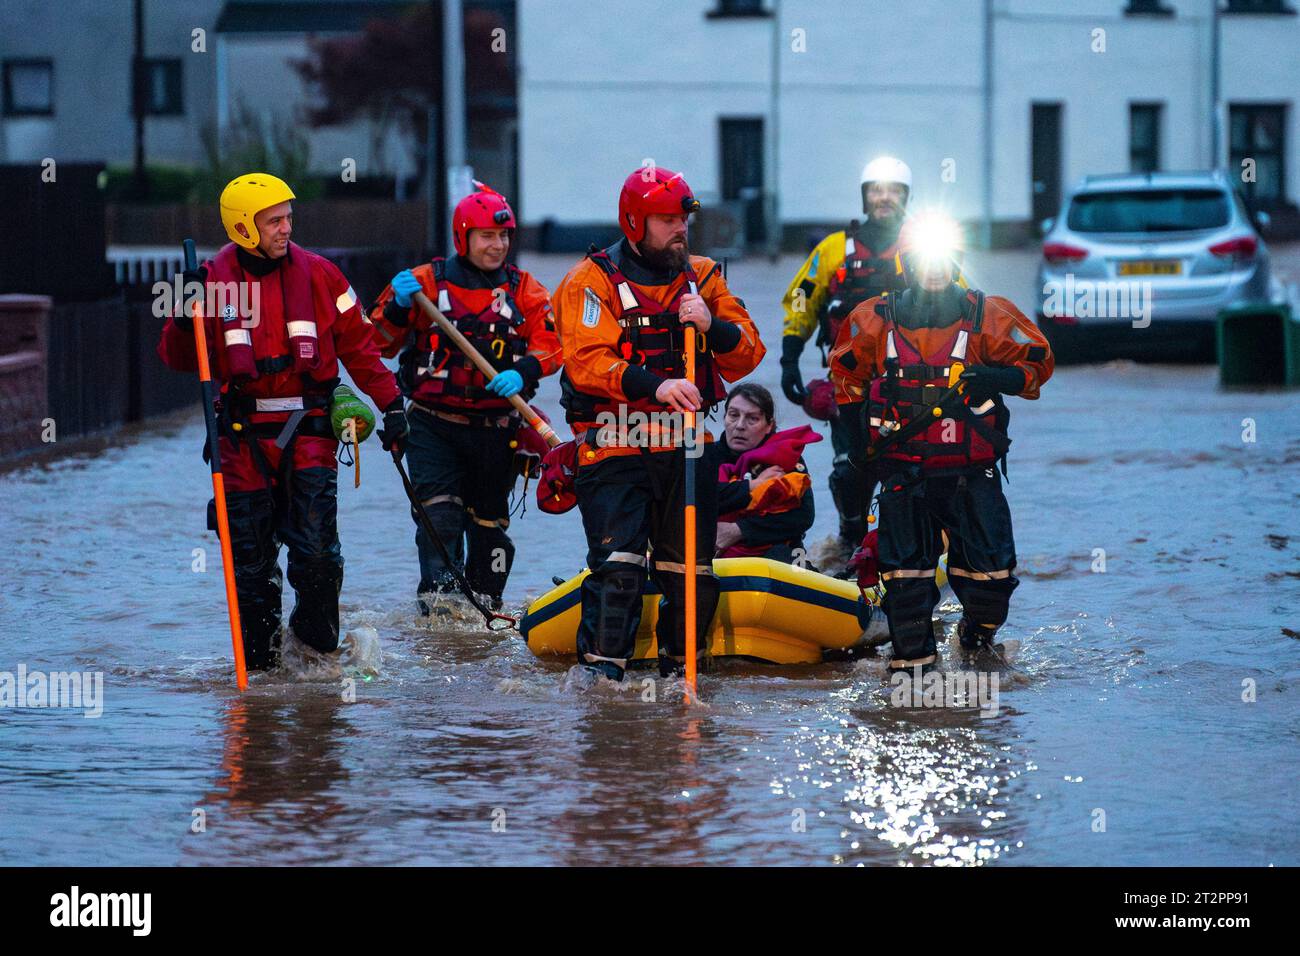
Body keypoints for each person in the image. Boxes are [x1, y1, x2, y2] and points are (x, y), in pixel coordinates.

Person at [158, 172, 408, 670]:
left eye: (289, 217)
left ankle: (315, 660)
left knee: (317, 556)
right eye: (274, 220)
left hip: (310, 428)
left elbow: (360, 346)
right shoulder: (206, 282)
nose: (286, 228)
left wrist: (392, 404)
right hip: (239, 435)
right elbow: (176, 357)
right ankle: (263, 672)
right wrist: (186, 317)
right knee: (248, 567)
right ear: (244, 228)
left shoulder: (322, 275)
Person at [552, 166, 765, 681]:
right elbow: (586, 361)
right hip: (615, 446)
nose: (679, 229)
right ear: (633, 222)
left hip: (686, 448)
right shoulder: (589, 281)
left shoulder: (706, 278)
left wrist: (712, 328)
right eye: (666, 220)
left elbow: (749, 354)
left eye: (682, 219)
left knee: (692, 577)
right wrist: (657, 386)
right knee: (620, 569)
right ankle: (603, 686)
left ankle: (679, 683)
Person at [828, 211, 1054, 671]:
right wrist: (855, 447)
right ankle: (913, 688)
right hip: (903, 473)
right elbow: (845, 377)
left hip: (971, 473)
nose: (932, 269)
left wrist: (997, 377)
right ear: (906, 264)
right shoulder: (873, 320)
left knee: (992, 581)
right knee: (906, 588)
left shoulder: (988, 314)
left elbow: (1039, 363)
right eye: (922, 259)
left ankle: (976, 638)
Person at [370, 182, 561, 612]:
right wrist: (399, 308)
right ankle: (441, 614)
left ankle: (486, 611)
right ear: (463, 237)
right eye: (488, 237)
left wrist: (523, 370)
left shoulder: (525, 289)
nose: (498, 246)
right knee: (439, 519)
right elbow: (375, 342)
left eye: (505, 236)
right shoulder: (421, 284)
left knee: (490, 530)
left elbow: (552, 347)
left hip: (497, 431)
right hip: (432, 425)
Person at [779, 156, 912, 554]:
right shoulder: (834, 249)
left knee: (908, 466)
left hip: (912, 383)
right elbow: (801, 299)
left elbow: (963, 303)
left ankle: (908, 538)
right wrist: (789, 357)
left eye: (892, 190)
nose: (883, 197)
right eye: (876, 189)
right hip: (849, 383)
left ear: (905, 197)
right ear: (864, 197)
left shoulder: (925, 247)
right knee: (848, 469)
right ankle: (851, 535)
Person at [715, 384, 817, 564]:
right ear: (724, 417)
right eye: (733, 415)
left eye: (752, 419)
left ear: (769, 425)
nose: (739, 426)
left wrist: (739, 530)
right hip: (717, 556)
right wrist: (753, 486)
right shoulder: (706, 457)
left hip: (782, 554)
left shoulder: (786, 459)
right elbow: (698, 500)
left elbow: (803, 516)